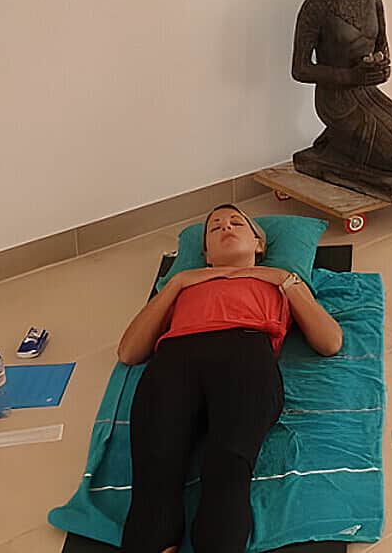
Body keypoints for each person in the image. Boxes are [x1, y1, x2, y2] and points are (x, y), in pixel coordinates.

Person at [115, 204, 343, 553]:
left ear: (258, 245)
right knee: (155, 467)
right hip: (175, 360)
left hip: (246, 356)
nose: (226, 227)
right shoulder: (184, 285)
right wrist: (176, 283)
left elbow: (330, 342)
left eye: (237, 223)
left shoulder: (280, 280)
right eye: (215, 227)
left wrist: (285, 280)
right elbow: (130, 352)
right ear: (205, 253)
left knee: (227, 466)